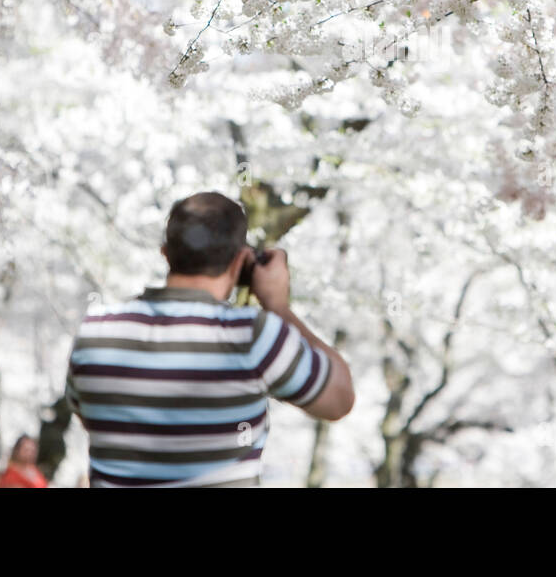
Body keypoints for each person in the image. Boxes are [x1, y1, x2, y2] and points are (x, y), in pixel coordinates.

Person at [65, 191, 354, 487]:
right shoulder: (252, 335)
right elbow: (339, 400)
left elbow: (88, 414)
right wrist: (279, 307)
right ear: (241, 261)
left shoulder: (95, 332)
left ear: (165, 253)